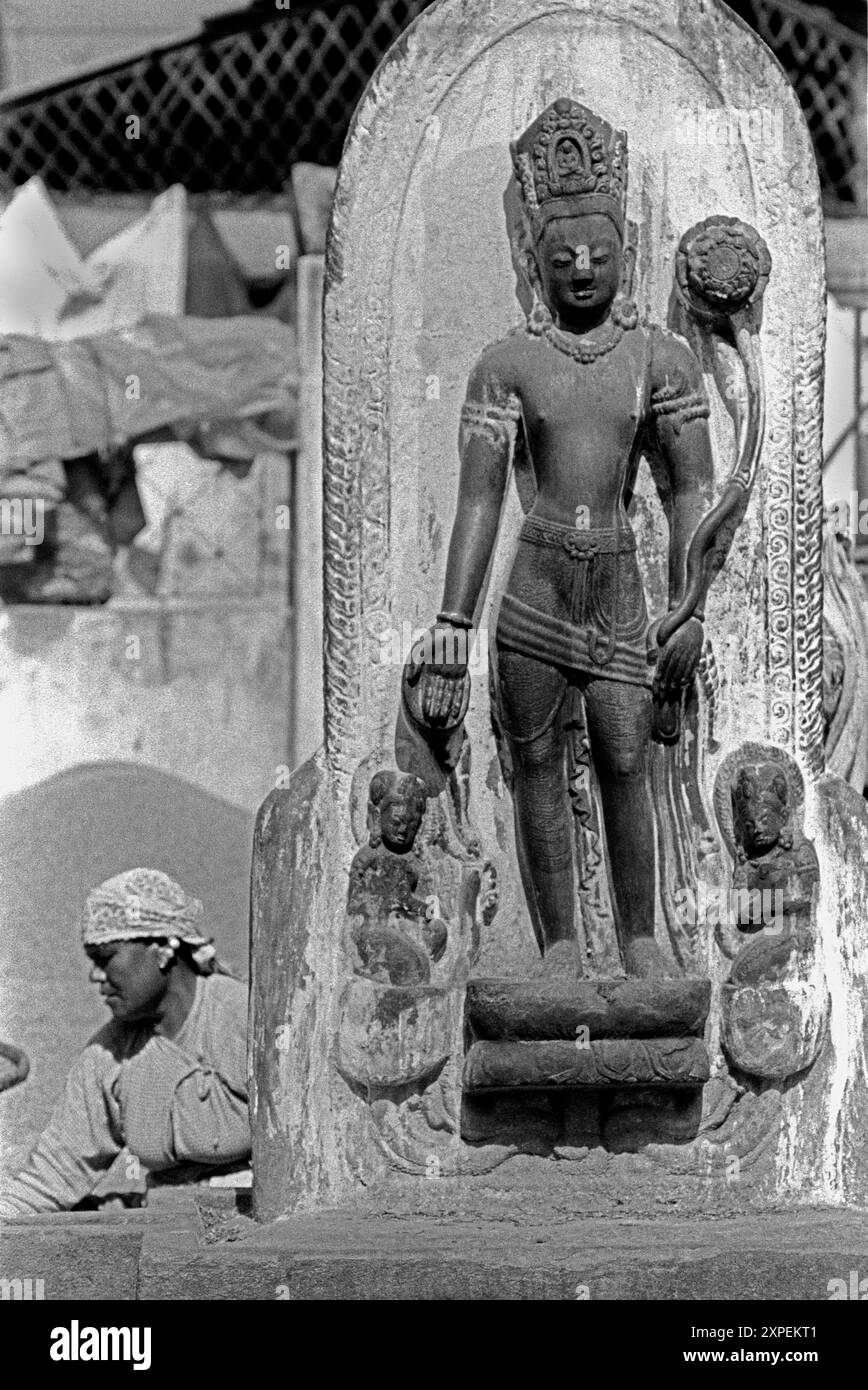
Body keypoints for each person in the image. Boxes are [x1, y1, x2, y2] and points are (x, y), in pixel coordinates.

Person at [0, 868, 249, 1217]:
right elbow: (53, 1175)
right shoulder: (110, 1054)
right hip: (169, 1224)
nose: (95, 975)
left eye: (106, 958)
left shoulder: (243, 1020)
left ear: (162, 948)